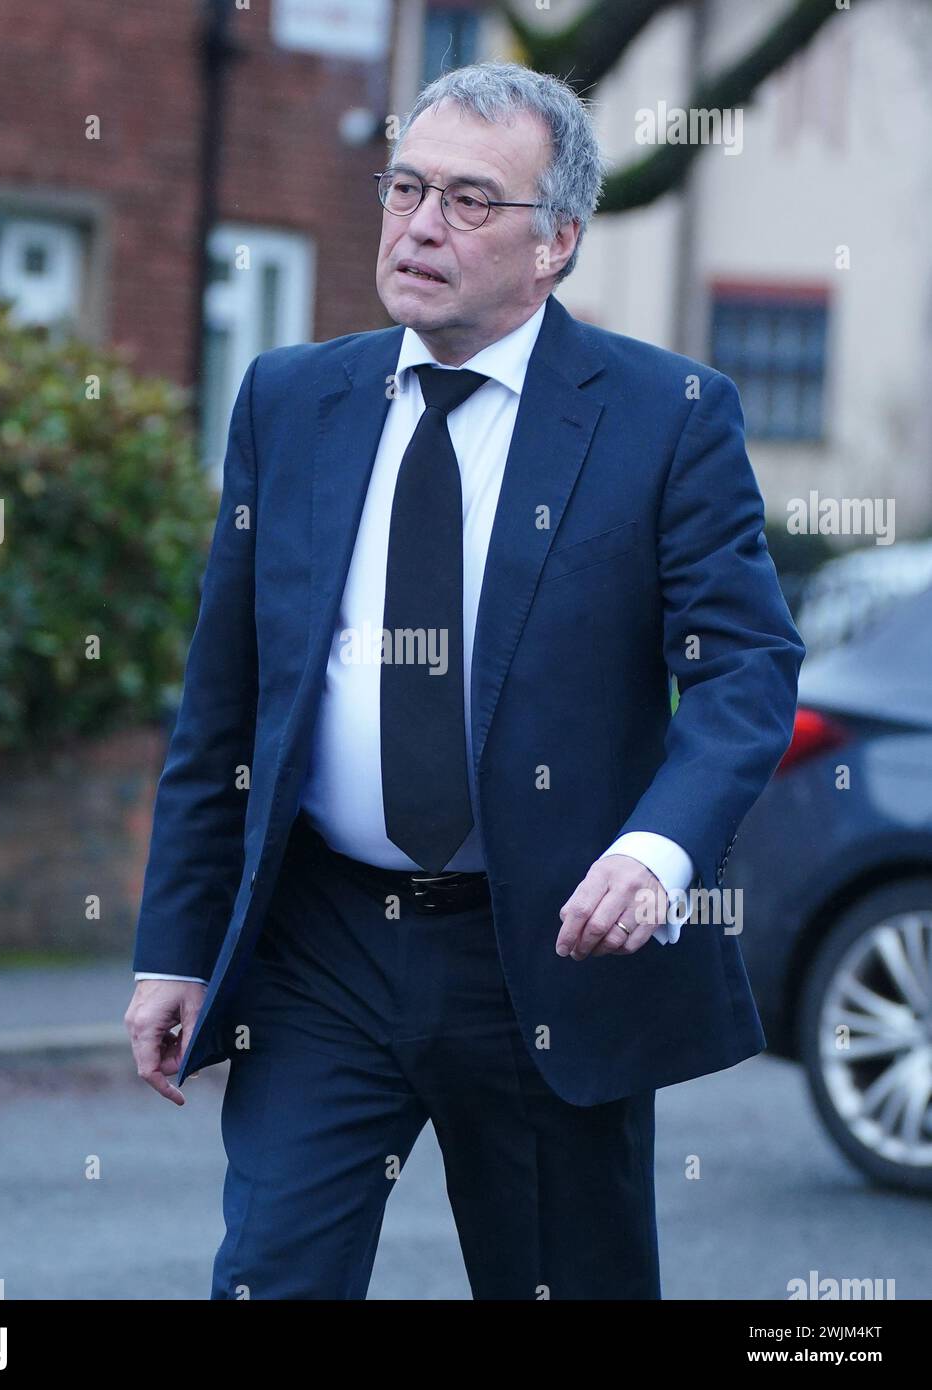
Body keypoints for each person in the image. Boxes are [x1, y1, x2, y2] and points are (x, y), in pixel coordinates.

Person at [124, 61, 804, 1300]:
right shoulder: (291, 399)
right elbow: (223, 696)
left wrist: (657, 852)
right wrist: (173, 944)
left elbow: (744, 669)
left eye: (469, 201)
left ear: (557, 245)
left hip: (544, 950)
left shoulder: (665, 417)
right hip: (322, 944)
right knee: (269, 1279)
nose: (421, 224)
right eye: (405, 186)